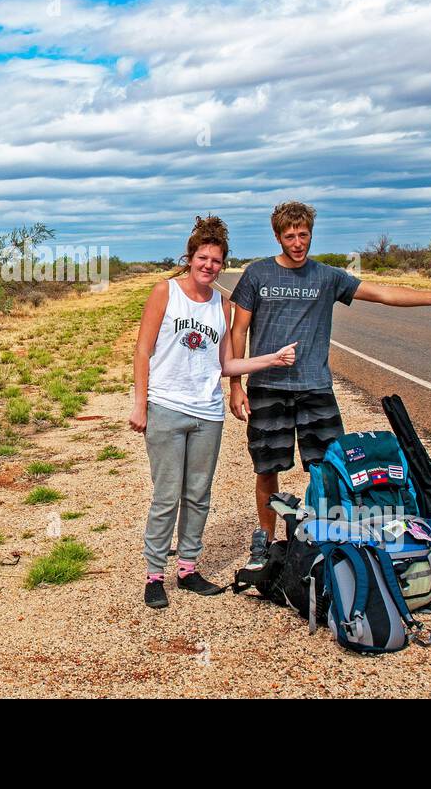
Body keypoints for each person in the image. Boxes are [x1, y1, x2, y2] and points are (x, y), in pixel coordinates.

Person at [228, 201, 431, 574]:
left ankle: (325, 537)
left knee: (328, 468)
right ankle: (267, 540)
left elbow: (383, 294)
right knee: (267, 469)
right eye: (289, 235)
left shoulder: (327, 277)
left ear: (311, 233)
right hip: (268, 387)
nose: (297, 242)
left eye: (303, 234)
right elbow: (238, 331)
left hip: (315, 388)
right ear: (277, 236)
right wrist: (236, 385)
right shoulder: (257, 275)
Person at [130, 216, 299, 609]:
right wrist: (141, 403)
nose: (209, 265)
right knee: (167, 495)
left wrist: (269, 360)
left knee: (198, 495)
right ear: (190, 258)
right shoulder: (164, 293)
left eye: (216, 260)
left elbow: (225, 364)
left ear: (223, 264)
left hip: (207, 413)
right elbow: (142, 350)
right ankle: (155, 574)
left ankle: (188, 568)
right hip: (166, 408)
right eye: (202, 258)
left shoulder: (222, 306)